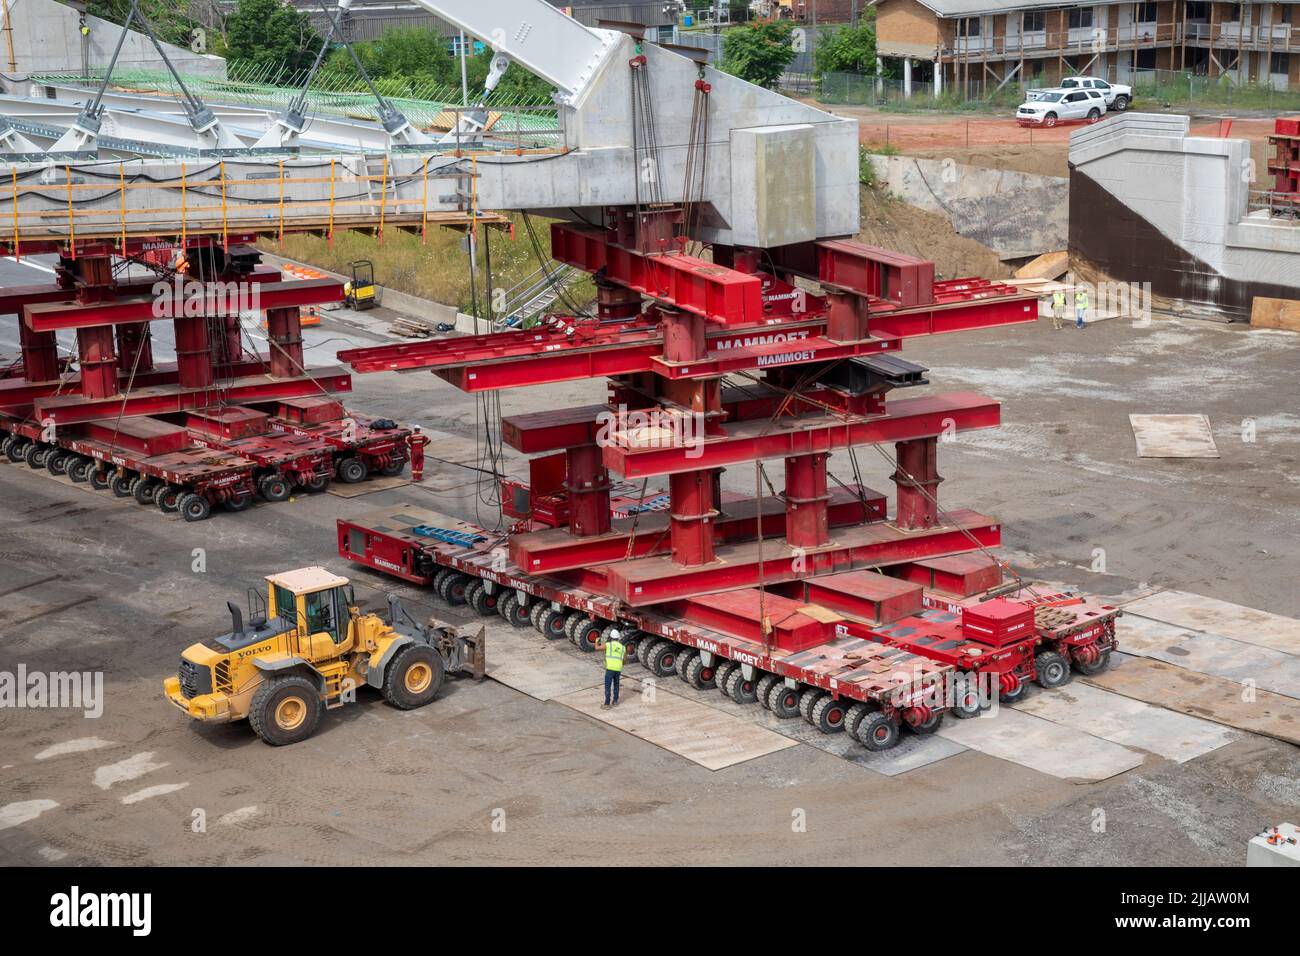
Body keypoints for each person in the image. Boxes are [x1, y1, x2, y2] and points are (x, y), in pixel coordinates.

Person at [594, 627, 626, 708]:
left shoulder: (608, 645)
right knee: (616, 684)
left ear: (611, 637)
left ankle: (607, 703)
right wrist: (620, 665)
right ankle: (615, 701)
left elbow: (597, 648)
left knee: (608, 685)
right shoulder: (623, 647)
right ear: (618, 638)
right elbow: (625, 660)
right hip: (618, 669)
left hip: (610, 669)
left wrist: (596, 641)